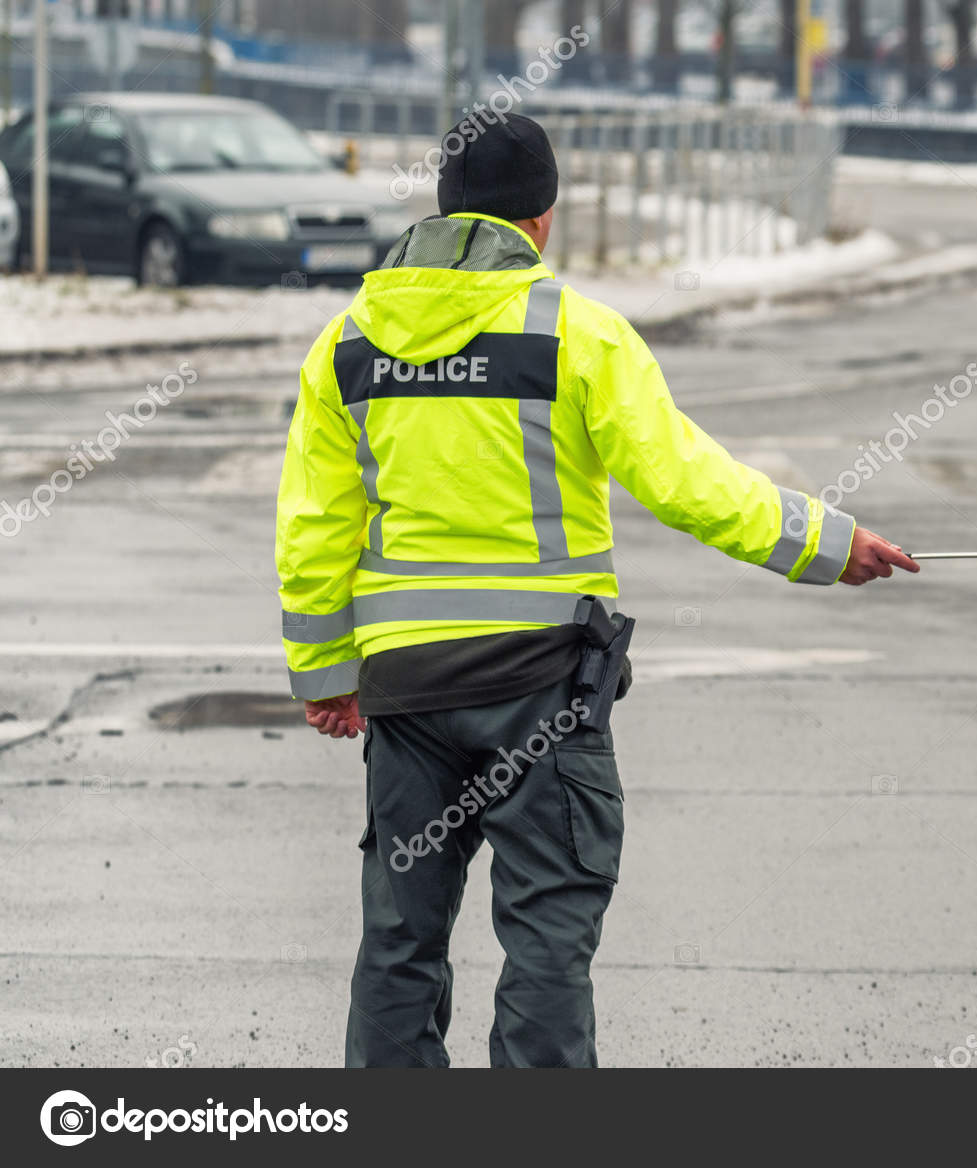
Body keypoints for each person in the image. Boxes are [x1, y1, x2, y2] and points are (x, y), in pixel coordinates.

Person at [275, 112, 918, 1068]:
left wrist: (324, 672)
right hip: (538, 693)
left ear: (445, 209)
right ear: (540, 221)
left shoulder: (347, 345)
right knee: (545, 941)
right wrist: (826, 543)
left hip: (407, 698)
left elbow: (314, 526)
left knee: (399, 944)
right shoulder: (573, 332)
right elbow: (684, 479)